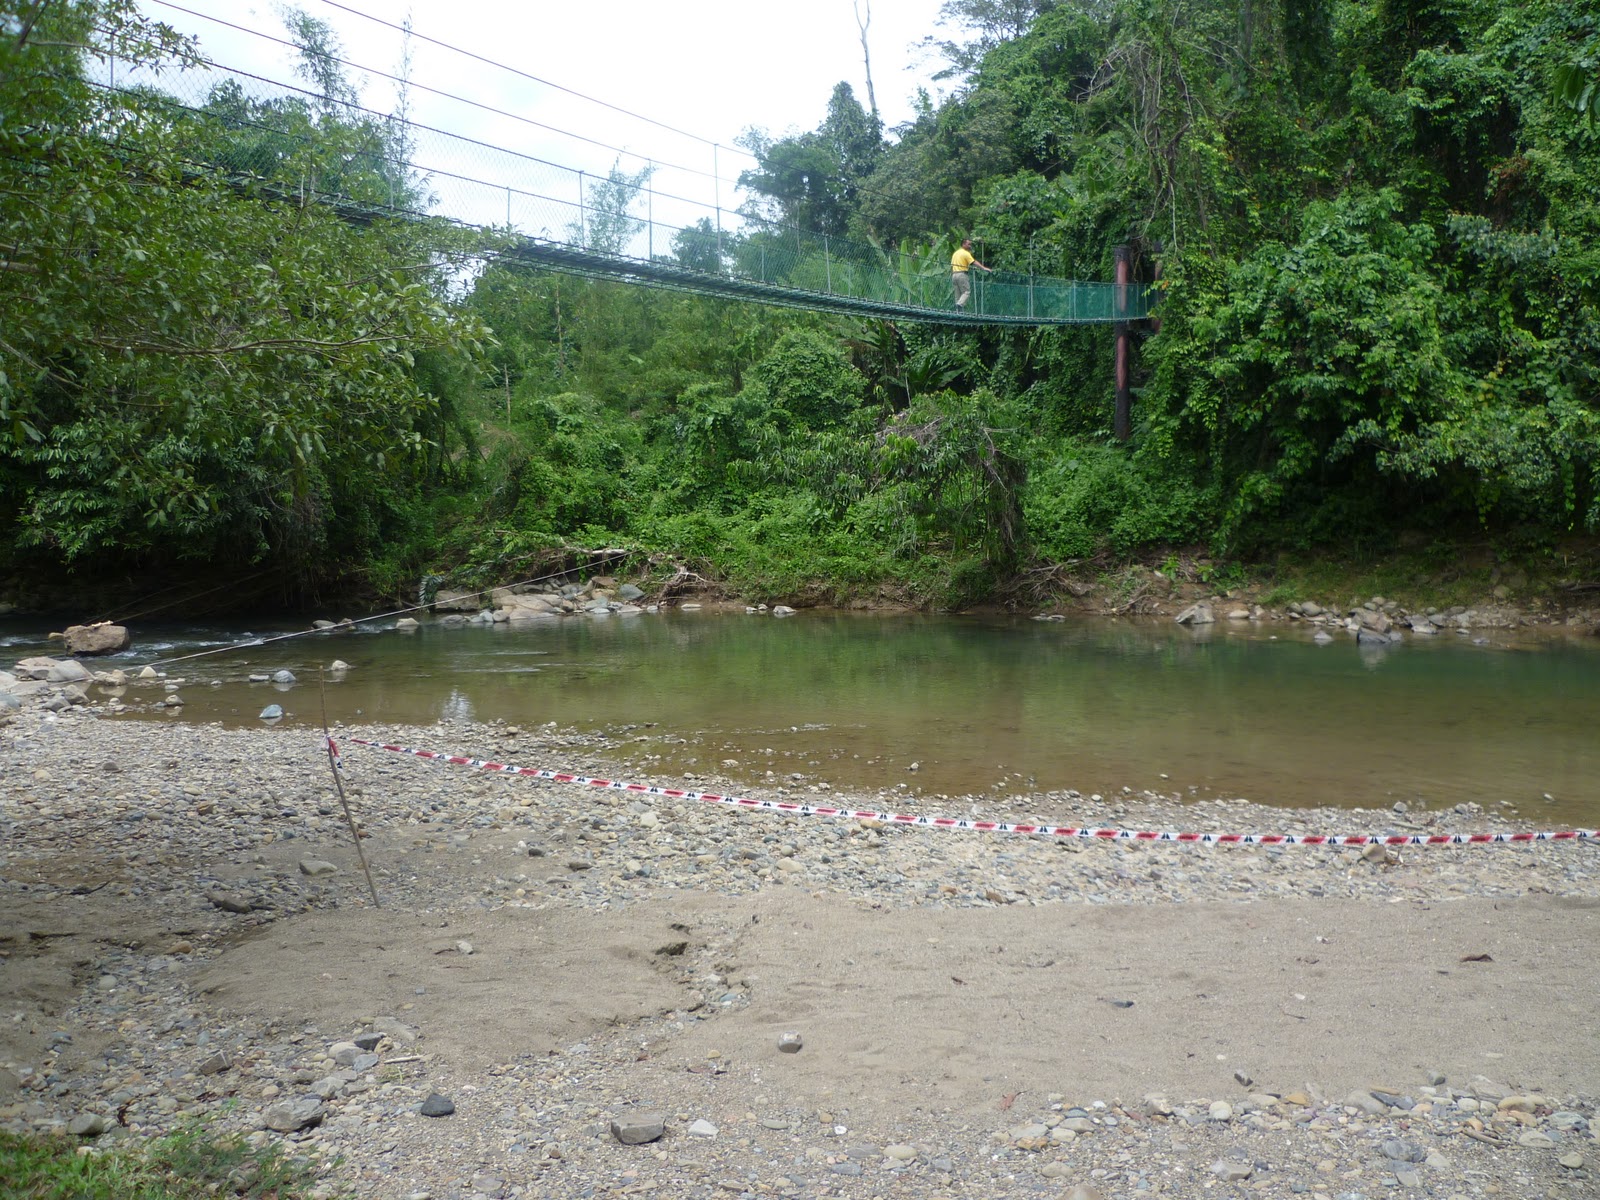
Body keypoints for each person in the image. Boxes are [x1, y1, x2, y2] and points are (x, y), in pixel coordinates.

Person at [950, 238, 991, 309]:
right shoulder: (965, 253)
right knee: (966, 292)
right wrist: (983, 268)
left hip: (954, 275)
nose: (970, 246)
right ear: (963, 244)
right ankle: (959, 304)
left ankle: (958, 312)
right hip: (962, 274)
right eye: (968, 244)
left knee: (958, 294)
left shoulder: (955, 253)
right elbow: (973, 262)